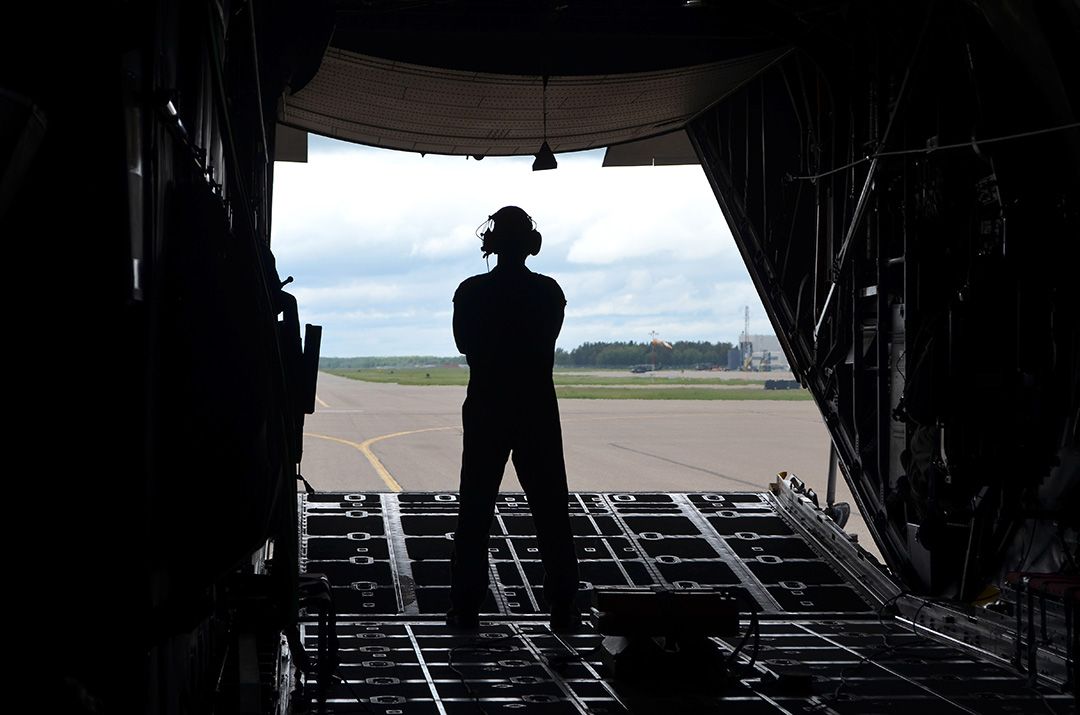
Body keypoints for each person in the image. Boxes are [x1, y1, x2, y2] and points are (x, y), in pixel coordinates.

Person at [447, 206, 580, 631]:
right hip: (537, 406)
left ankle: (466, 608)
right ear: (531, 246)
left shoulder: (470, 292)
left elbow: (464, 343)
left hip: (487, 405)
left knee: (475, 510)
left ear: (491, 244)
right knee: (551, 510)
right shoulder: (548, 292)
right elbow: (548, 336)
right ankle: (564, 607)